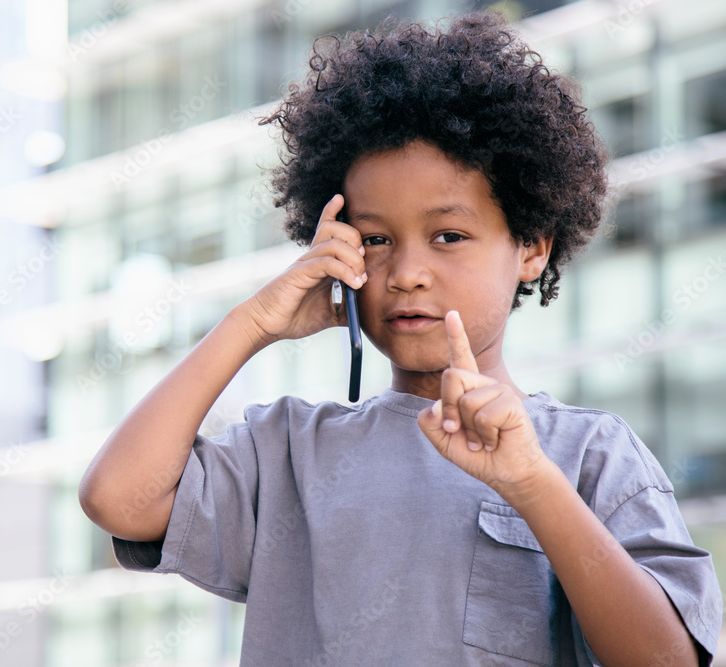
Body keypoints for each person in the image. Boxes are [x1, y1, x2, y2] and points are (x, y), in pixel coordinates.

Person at [78, 11, 722, 666]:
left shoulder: (590, 455)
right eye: (377, 239)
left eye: (448, 236)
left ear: (531, 247)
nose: (407, 273)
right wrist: (251, 324)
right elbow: (117, 497)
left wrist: (532, 482)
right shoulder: (289, 454)